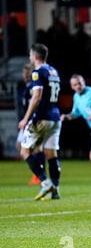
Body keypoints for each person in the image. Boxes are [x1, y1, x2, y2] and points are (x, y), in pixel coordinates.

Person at [18, 43, 62, 200]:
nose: (30, 57)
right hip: (56, 117)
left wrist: (26, 118)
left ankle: (45, 183)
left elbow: (37, 96)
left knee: (25, 151)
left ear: (35, 56)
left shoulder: (38, 72)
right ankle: (56, 189)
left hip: (42, 117)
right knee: (51, 154)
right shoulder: (53, 71)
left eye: (30, 54)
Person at [16, 63, 45, 186]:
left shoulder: (34, 87)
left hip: (33, 121)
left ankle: (40, 176)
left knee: (36, 148)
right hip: (27, 121)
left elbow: (35, 103)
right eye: (24, 73)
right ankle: (39, 174)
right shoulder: (26, 87)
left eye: (28, 73)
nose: (25, 75)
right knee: (21, 146)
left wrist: (28, 119)